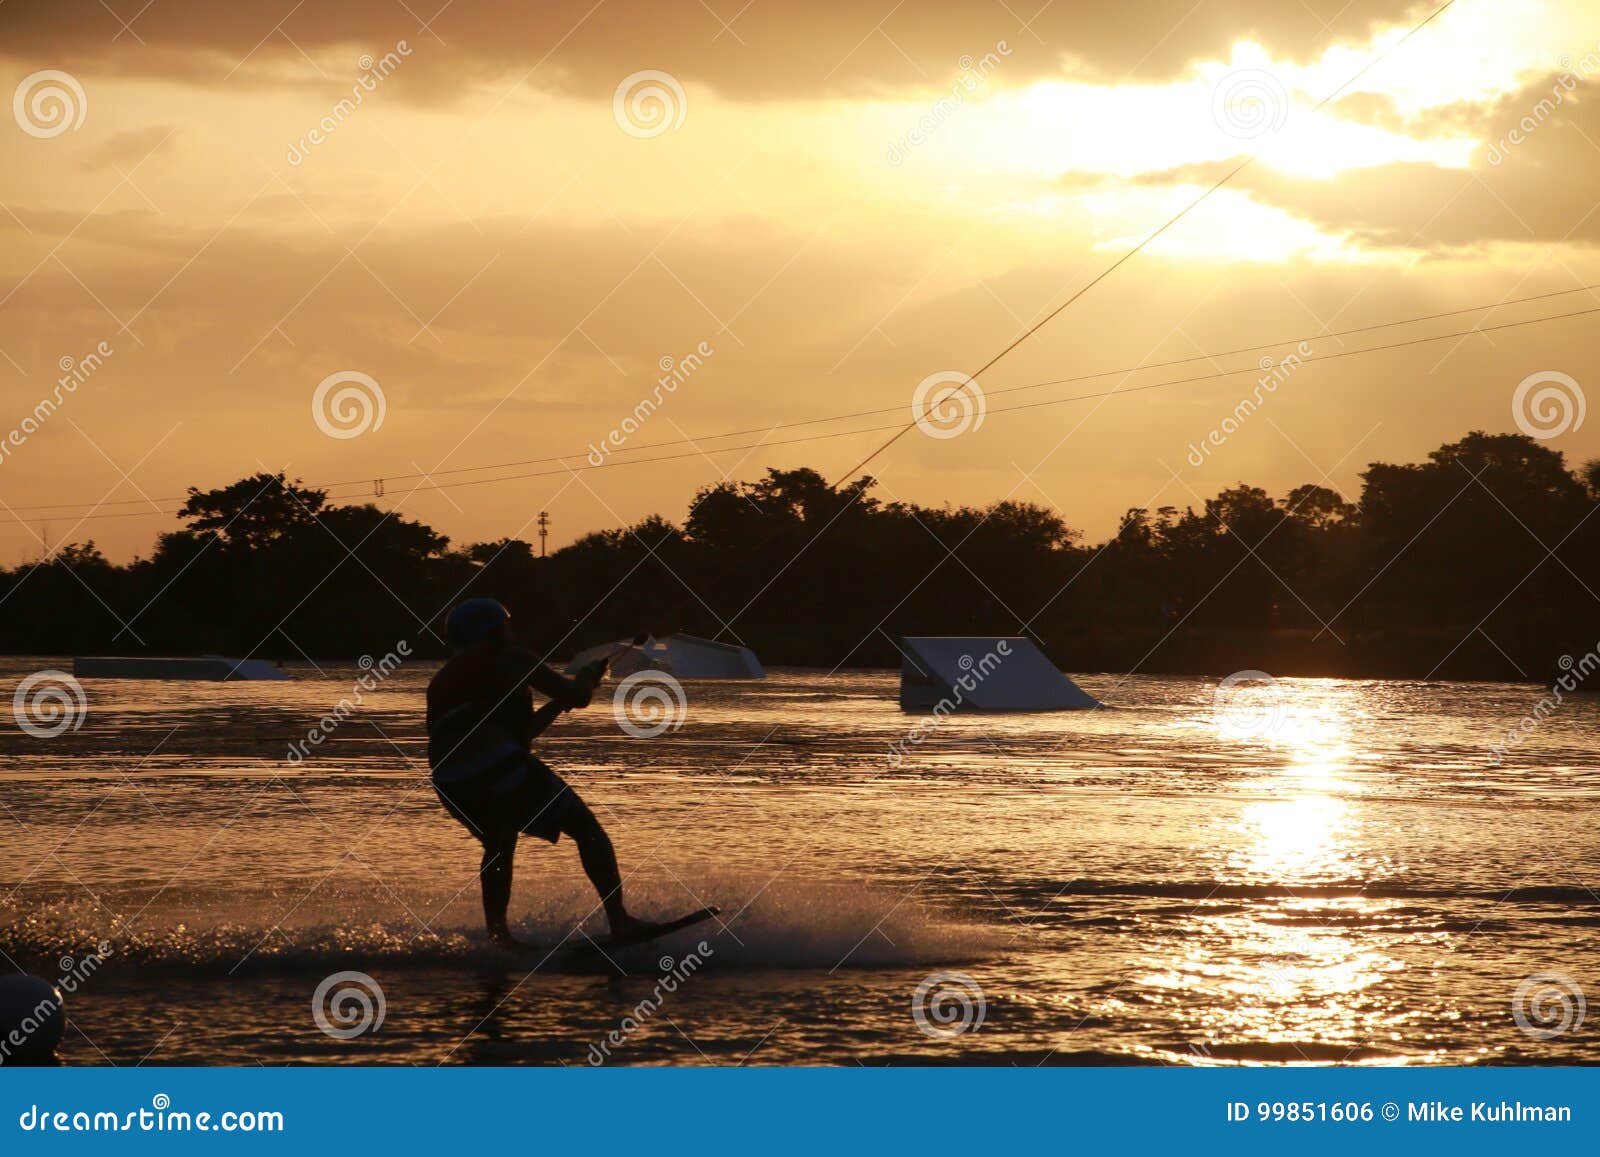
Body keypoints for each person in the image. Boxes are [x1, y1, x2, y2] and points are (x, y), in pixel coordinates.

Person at [427, 598, 660, 947]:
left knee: (499, 843)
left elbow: (520, 735)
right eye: (505, 626)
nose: (511, 632)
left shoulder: (443, 680)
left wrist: (558, 702)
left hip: (451, 780)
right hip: (497, 766)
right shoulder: (514, 658)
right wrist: (584, 681)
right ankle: (620, 921)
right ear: (492, 631)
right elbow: (577, 697)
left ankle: (498, 935)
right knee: (587, 830)